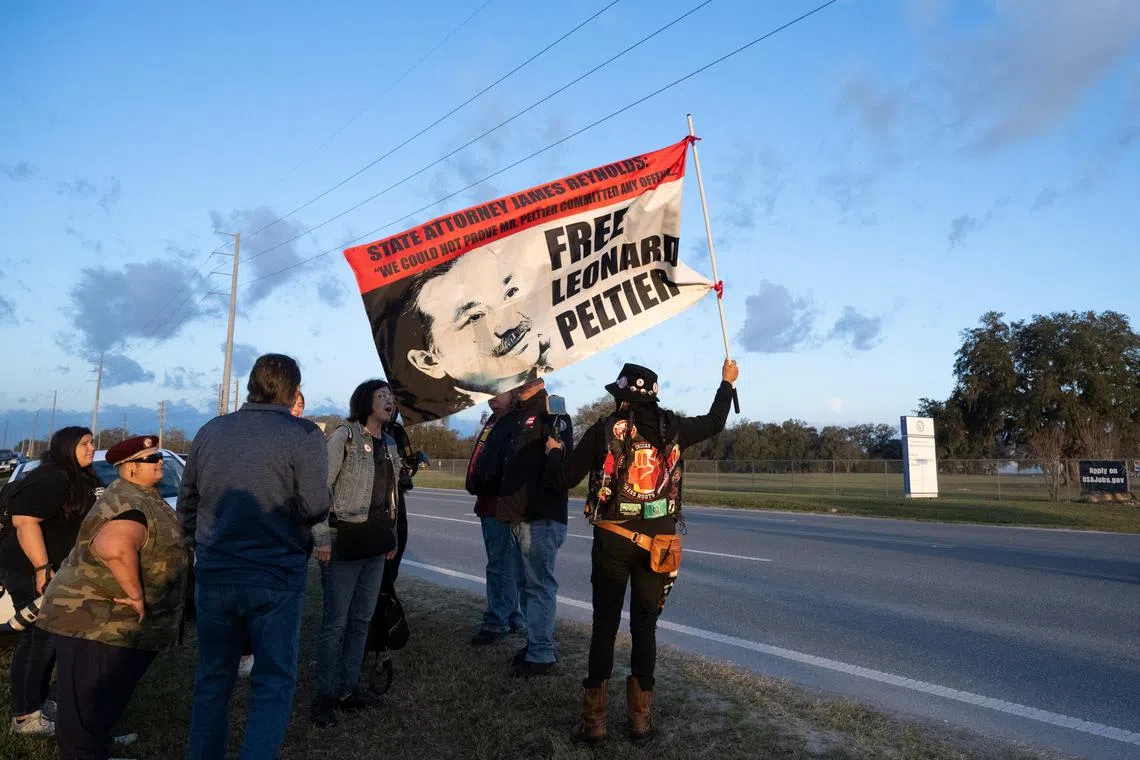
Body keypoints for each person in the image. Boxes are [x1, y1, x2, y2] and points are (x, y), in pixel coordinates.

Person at [545, 359, 737, 743]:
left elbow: (564, 478)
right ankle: (640, 720)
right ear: (652, 396)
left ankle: (595, 722)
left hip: (614, 537)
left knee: (605, 624)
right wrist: (726, 383)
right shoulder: (675, 426)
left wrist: (553, 450)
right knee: (644, 627)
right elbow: (716, 422)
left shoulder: (603, 429)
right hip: (659, 543)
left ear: (621, 398)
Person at [179, 353, 330, 760]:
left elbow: (188, 499)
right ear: (294, 390)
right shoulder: (303, 435)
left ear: (251, 385)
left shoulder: (210, 431)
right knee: (273, 681)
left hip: (215, 572)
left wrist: (194, 543)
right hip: (275, 573)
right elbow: (316, 505)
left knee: (213, 679)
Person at [35, 436, 189, 760]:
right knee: (85, 713)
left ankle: (95, 752)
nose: (159, 461)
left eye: (159, 455)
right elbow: (114, 547)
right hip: (95, 621)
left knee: (102, 704)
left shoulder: (141, 496)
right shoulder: (130, 502)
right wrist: (135, 595)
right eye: (151, 458)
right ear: (130, 468)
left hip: (112, 627)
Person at [362, 246, 554, 424]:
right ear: (428, 361)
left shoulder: (539, 414)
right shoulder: (487, 420)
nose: (510, 323)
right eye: (476, 317)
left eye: (510, 294)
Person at [310, 380, 401, 728]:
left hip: (375, 542)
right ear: (366, 402)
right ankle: (324, 696)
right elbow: (320, 489)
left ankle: (348, 689)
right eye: (383, 397)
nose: (389, 402)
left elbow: (392, 496)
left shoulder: (390, 443)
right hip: (344, 540)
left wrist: (391, 535)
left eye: (391, 398)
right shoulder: (344, 436)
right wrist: (321, 538)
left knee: (362, 619)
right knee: (336, 623)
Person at [0, 426, 100, 737]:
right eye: (84, 443)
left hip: (57, 571)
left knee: (47, 642)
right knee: (37, 643)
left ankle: (40, 703)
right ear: (67, 447)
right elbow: (24, 522)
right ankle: (26, 716)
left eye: (92, 442)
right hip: (31, 572)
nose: (91, 448)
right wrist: (43, 568)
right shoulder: (53, 477)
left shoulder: (79, 476)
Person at [484, 377, 571, 677]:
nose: (514, 380)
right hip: (519, 514)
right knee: (524, 584)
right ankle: (534, 643)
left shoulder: (552, 411)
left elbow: (558, 461)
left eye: (521, 375)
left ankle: (542, 654)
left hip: (541, 515)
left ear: (538, 377)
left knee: (539, 586)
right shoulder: (518, 414)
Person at [465, 390, 527, 645]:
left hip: (501, 504)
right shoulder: (494, 420)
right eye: (490, 392)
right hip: (488, 501)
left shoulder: (514, 422)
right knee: (504, 564)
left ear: (515, 395)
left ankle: (496, 621)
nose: (493, 397)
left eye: (500, 392)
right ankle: (512, 616)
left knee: (500, 566)